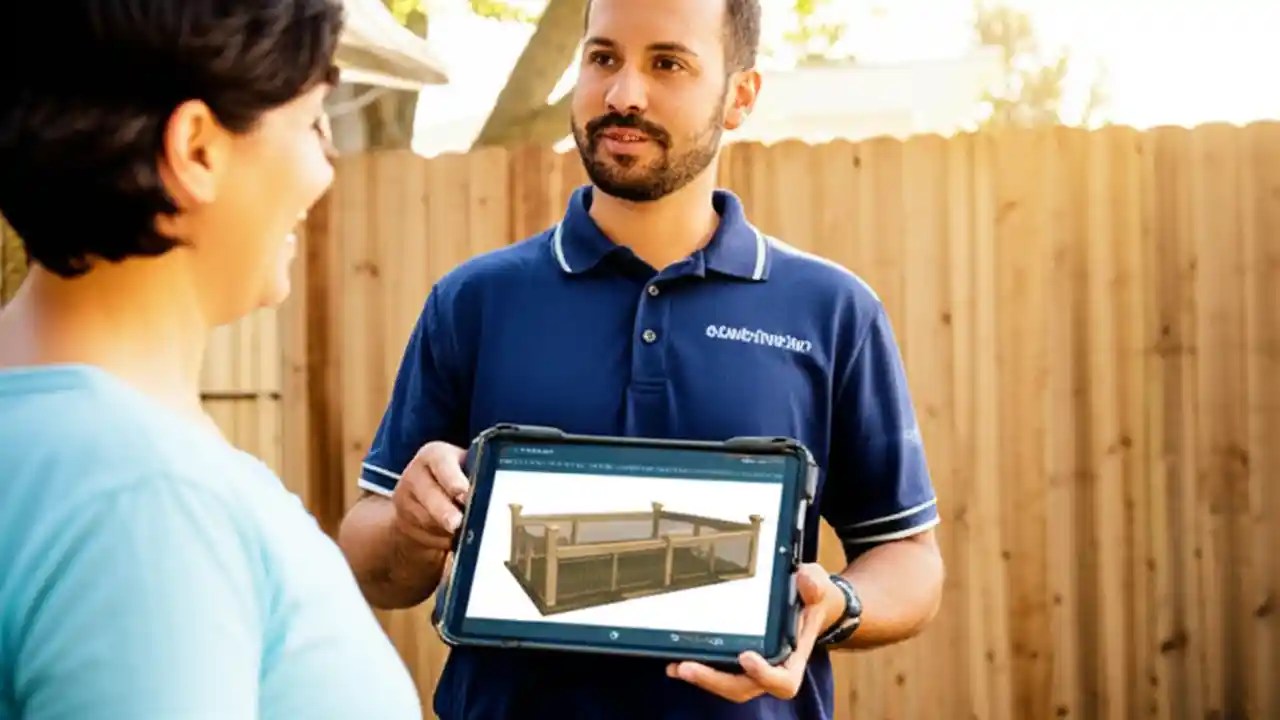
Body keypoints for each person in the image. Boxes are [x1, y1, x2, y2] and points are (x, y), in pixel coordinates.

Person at [336, 0, 945, 717]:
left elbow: (909, 560)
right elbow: (371, 561)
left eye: (668, 63)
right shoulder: (474, 300)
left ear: (739, 97)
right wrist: (409, 525)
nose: (623, 93)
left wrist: (833, 606)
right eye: (602, 58)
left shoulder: (834, 311)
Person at [0, 2, 422, 719]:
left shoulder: (62, 442)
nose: (327, 165)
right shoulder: (144, 501)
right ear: (197, 149)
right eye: (314, 122)